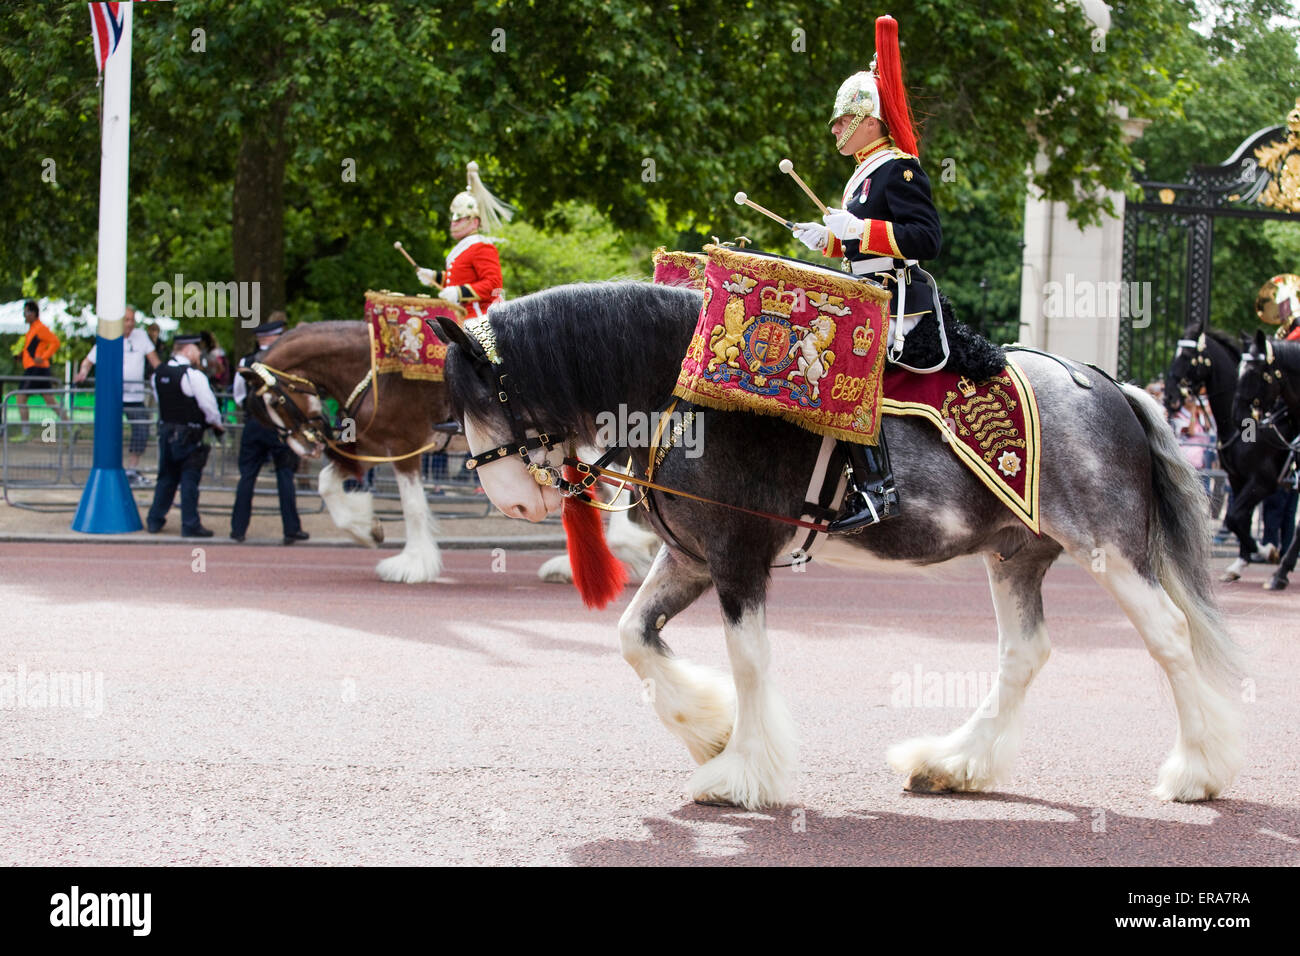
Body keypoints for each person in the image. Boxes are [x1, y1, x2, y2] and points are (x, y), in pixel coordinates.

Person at [790, 15, 943, 532]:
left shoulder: (899, 167)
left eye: (842, 120)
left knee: (848, 371)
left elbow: (926, 238)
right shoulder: (860, 177)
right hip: (866, 291)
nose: (835, 129)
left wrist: (861, 228)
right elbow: (860, 245)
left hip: (898, 300)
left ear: (870, 120)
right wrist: (830, 238)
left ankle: (879, 490)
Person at [229, 317, 308, 545]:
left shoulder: (247, 361)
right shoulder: (286, 361)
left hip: (254, 424)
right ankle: (291, 529)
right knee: (285, 475)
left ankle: (238, 529)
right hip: (280, 426)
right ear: (273, 338)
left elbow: (238, 395)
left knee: (247, 477)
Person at [145, 332, 225, 537]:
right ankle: (190, 523)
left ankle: (155, 519)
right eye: (197, 349)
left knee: (166, 478)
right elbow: (208, 406)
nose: (199, 353)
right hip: (190, 434)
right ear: (189, 350)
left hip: (166, 432)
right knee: (189, 480)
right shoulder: (193, 375)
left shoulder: (158, 373)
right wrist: (217, 423)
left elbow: (160, 400)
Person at [74, 307, 161, 485]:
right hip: (112, 397)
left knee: (141, 431)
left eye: (132, 319)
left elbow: (155, 362)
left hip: (135, 397)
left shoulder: (141, 337)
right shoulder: (108, 336)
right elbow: (88, 361)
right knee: (109, 431)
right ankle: (109, 468)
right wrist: (83, 373)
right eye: (127, 320)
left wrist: (167, 375)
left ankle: (131, 469)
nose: (130, 323)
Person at [416, 161, 512, 317]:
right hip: (462, 317)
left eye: (459, 219)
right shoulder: (465, 248)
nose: (453, 223)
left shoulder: (482, 247)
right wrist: (435, 276)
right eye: (453, 219)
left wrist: (458, 293)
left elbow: (494, 285)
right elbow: (460, 278)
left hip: (481, 319)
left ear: (474, 222)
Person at [13, 299, 69, 435]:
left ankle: (25, 432)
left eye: (26, 312)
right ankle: (70, 426)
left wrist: (43, 357)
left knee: (20, 397)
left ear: (33, 313)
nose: (24, 315)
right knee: (50, 400)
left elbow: (55, 342)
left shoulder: (40, 328)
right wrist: (22, 355)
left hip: (36, 369)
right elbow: (32, 349)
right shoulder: (32, 329)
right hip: (38, 368)